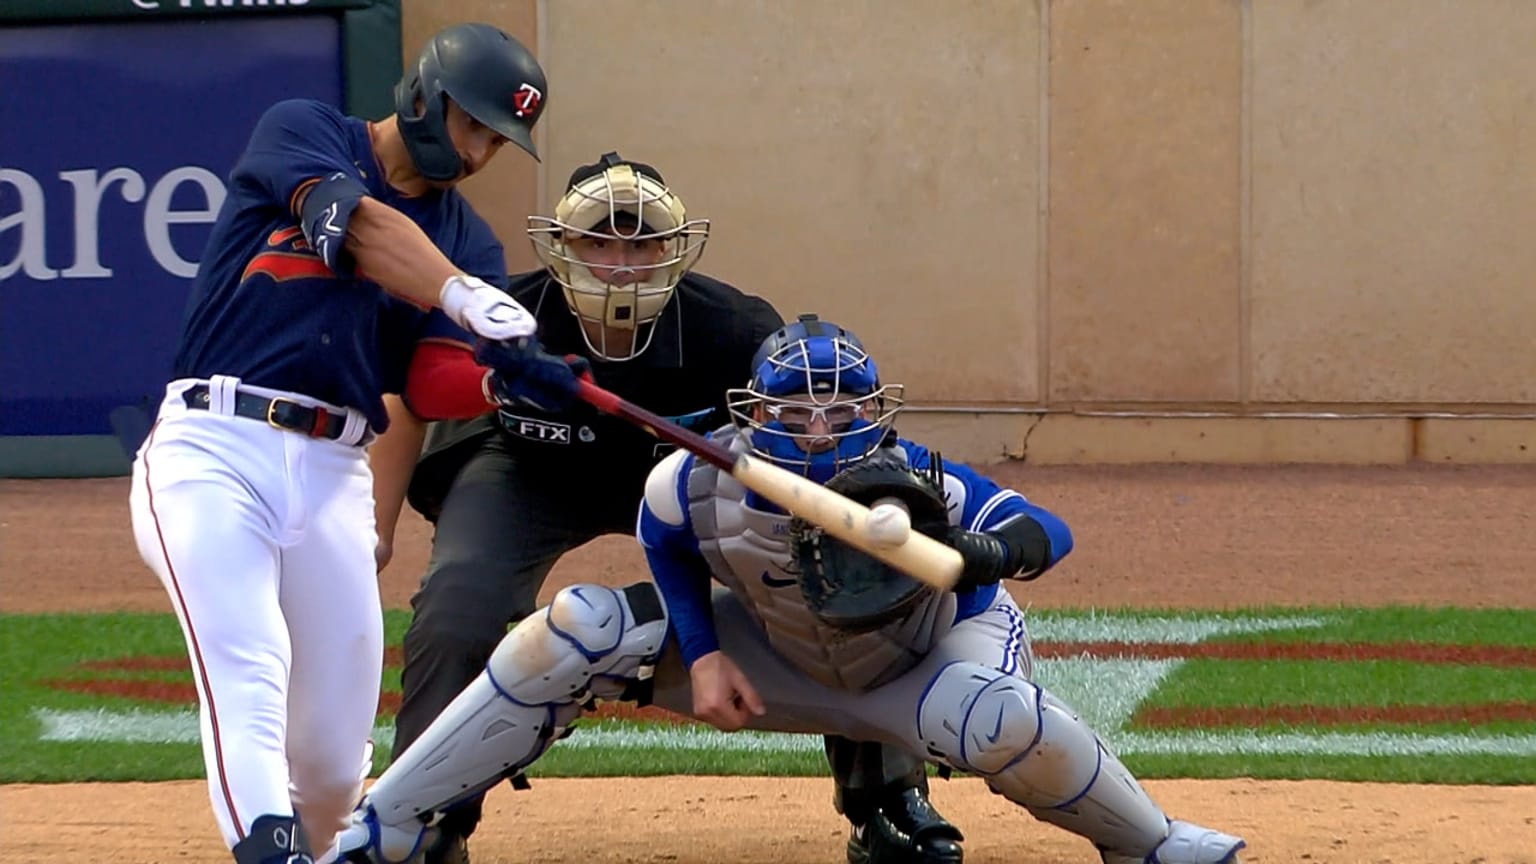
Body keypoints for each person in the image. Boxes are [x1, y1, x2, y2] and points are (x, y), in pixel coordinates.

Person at [333, 315, 1247, 864]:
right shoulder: (697, 481)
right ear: (756, 414)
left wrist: (982, 550)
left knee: (997, 716)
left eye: (839, 411)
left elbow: (1052, 529)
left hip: (925, 670)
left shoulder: (915, 476)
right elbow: (663, 540)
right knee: (572, 630)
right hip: (772, 660)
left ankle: (1151, 841)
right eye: (794, 412)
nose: (816, 430)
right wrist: (709, 651)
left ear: (872, 413)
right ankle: (393, 824)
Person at [368, 153, 960, 864]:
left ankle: (887, 799)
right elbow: (407, 391)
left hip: (685, 478)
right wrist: (376, 523)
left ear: (677, 249)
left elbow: (824, 423)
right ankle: (422, 816)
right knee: (460, 601)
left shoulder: (732, 330)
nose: (621, 265)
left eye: (643, 243)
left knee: (837, 573)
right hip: (528, 466)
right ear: (561, 244)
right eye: (599, 241)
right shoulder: (503, 311)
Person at [126, 23, 575, 864]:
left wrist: (498, 380)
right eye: (473, 123)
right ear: (422, 93)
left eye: (495, 139)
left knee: (334, 764)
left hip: (335, 472)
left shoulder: (466, 235)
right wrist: (465, 296)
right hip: (212, 449)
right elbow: (362, 228)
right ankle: (264, 849)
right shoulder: (303, 129)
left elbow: (425, 380)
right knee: (249, 664)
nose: (479, 152)